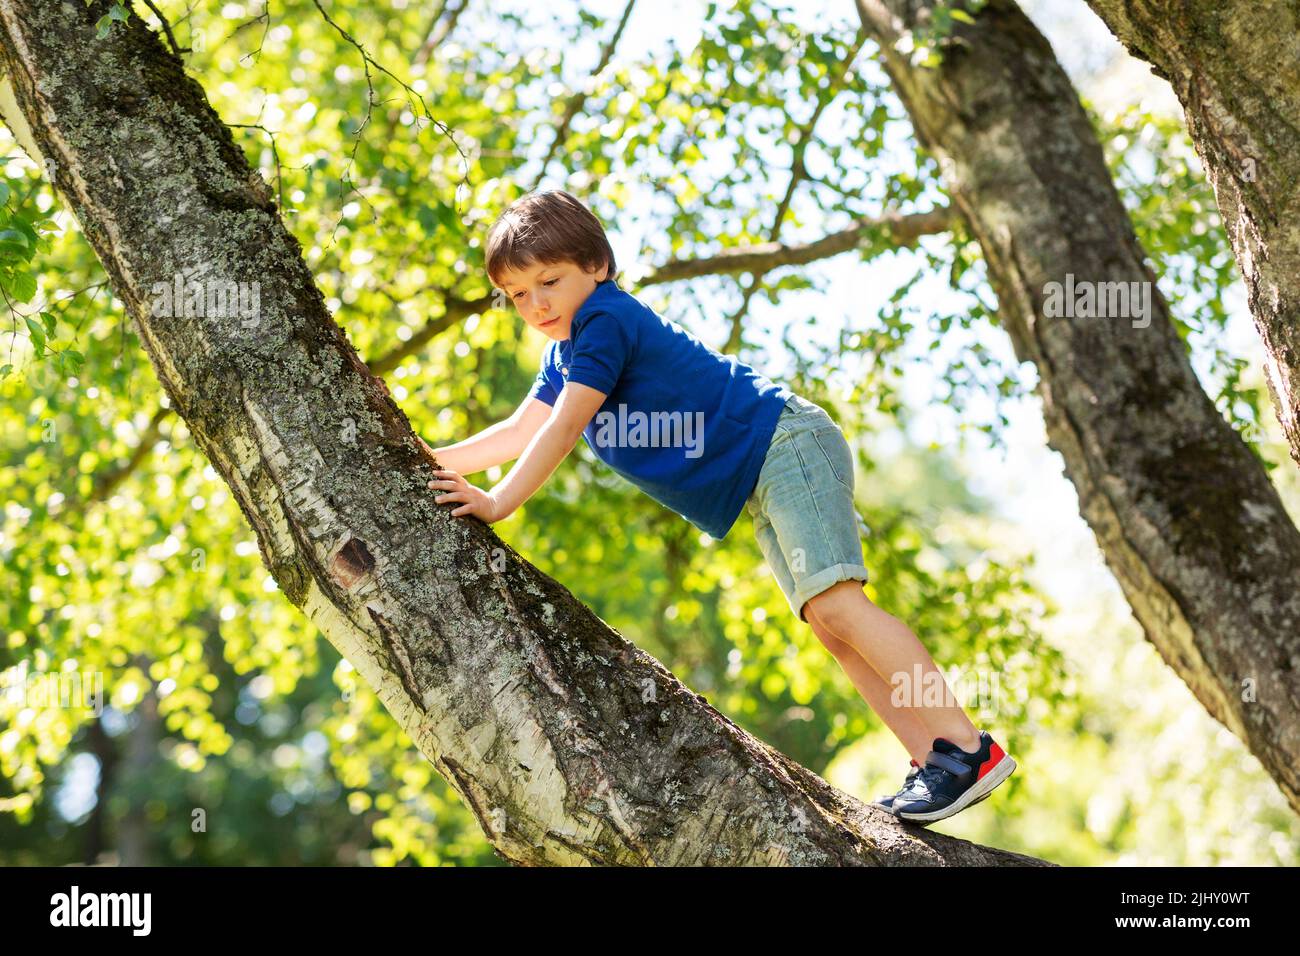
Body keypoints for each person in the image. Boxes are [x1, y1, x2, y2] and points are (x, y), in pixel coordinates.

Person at [425, 189, 1016, 824]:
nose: (535, 304)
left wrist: (499, 502)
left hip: (784, 443)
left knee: (840, 604)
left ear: (596, 266)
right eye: (517, 294)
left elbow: (561, 430)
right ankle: (933, 761)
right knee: (828, 622)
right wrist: (421, 458)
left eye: (549, 281)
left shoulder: (604, 320)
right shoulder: (564, 351)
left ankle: (966, 747)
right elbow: (517, 432)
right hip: (764, 472)